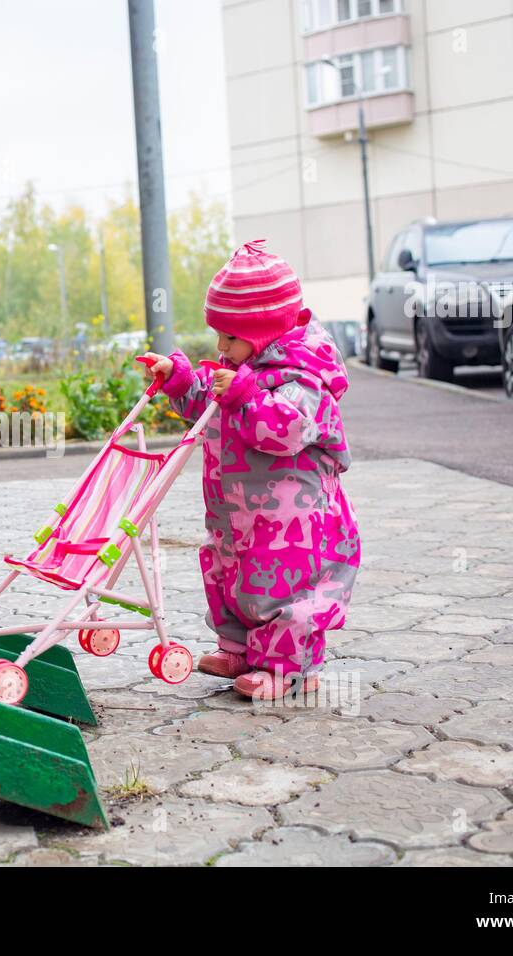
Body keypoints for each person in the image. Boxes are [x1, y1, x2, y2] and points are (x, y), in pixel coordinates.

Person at [137, 239, 360, 699]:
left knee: (286, 587)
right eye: (218, 335)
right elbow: (210, 399)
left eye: (230, 337)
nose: (221, 347)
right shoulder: (240, 366)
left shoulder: (305, 379)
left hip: (289, 525)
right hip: (235, 515)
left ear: (266, 331)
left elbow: (285, 429)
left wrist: (243, 394)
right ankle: (239, 647)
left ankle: (288, 667)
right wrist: (180, 379)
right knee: (230, 576)